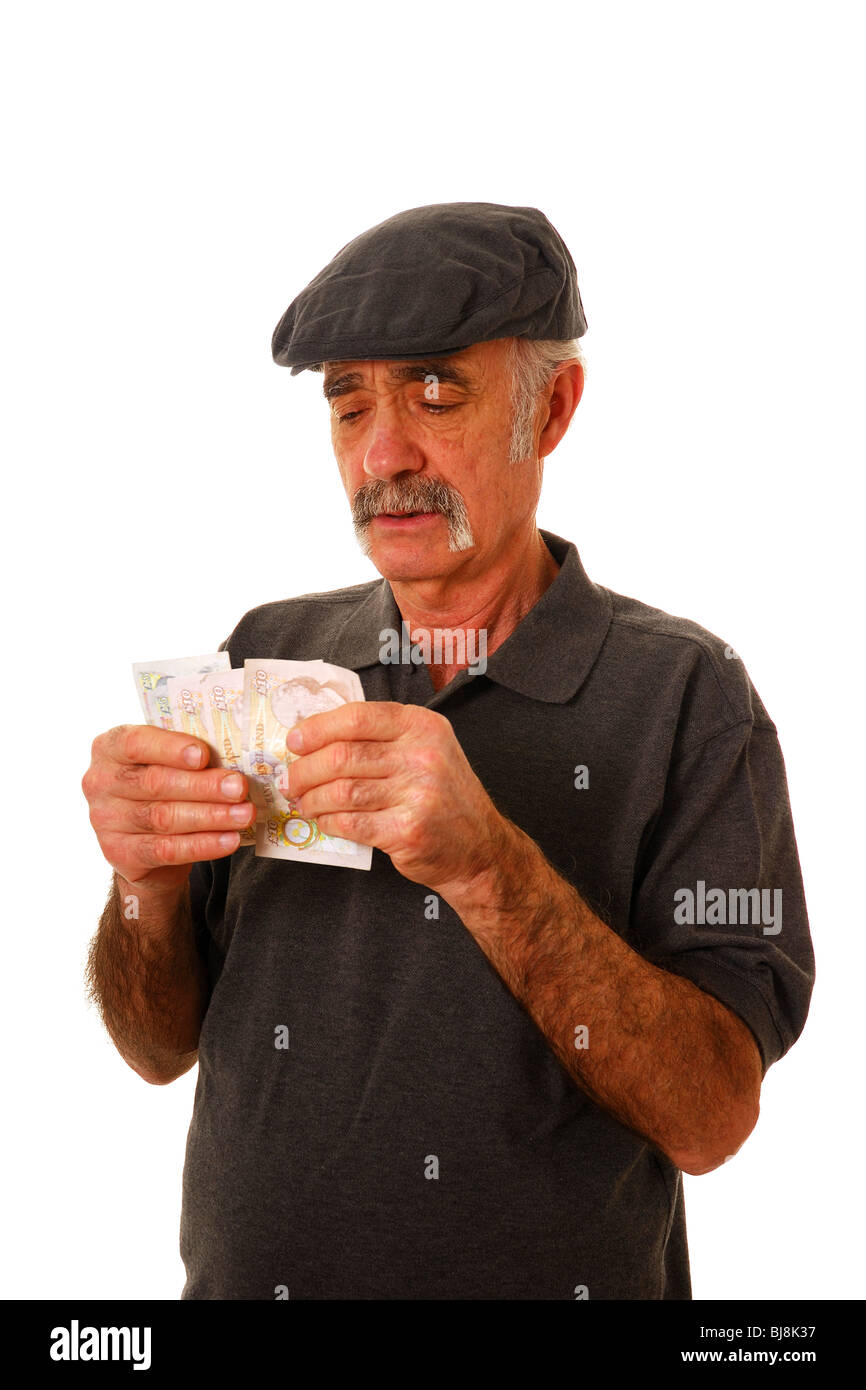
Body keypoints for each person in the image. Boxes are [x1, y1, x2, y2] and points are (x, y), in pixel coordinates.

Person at [82, 202, 815, 1300]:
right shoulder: (265, 653)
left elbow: (711, 1118)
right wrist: (142, 885)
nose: (382, 455)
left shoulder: (687, 696)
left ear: (550, 409)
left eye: (436, 392)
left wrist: (488, 867)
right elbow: (156, 1049)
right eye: (348, 403)